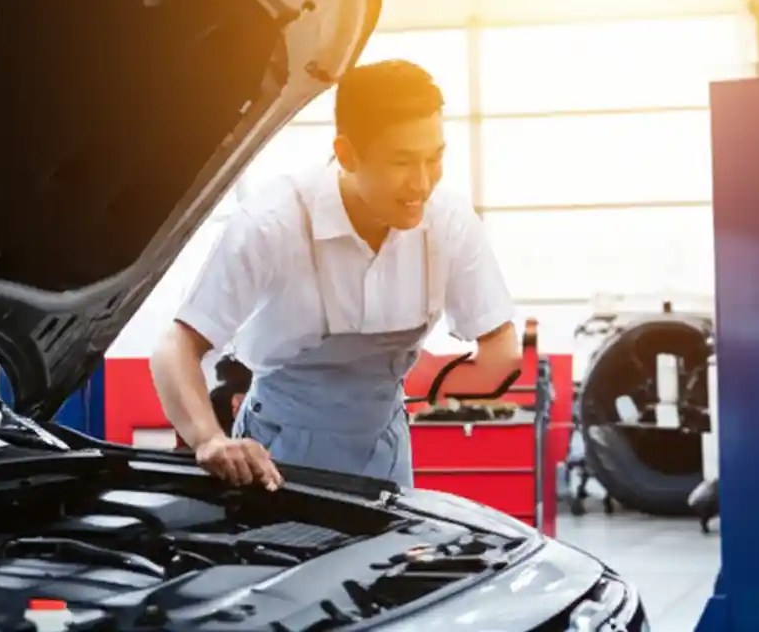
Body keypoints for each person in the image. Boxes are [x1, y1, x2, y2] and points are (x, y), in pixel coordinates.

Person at [150, 59, 521, 491]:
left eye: (434, 158)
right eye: (401, 162)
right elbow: (176, 346)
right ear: (347, 154)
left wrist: (415, 383)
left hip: (385, 448)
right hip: (277, 452)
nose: (422, 184)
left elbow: (501, 351)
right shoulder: (272, 223)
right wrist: (209, 439)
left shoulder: (450, 221)